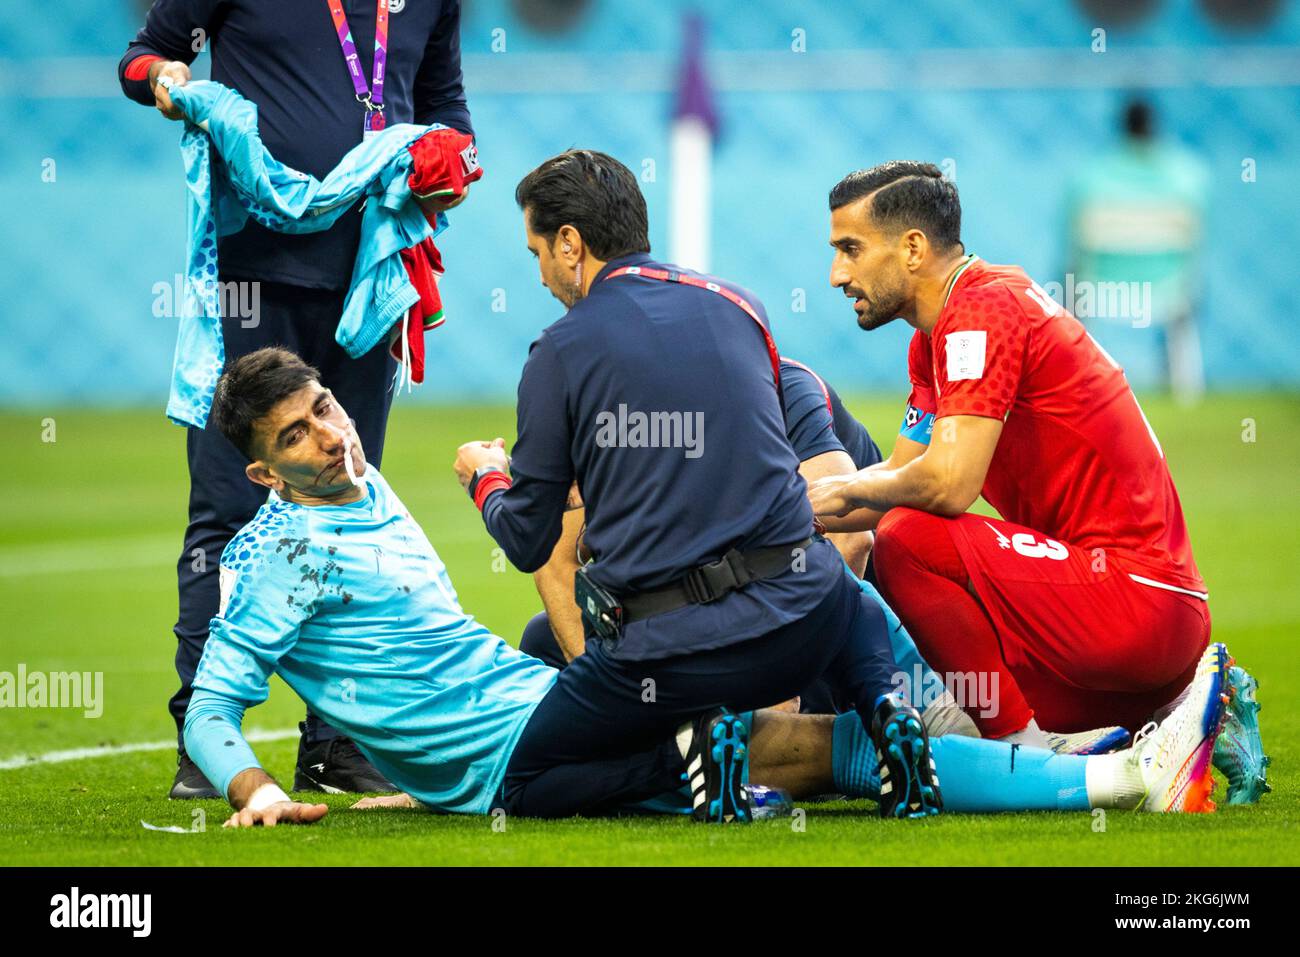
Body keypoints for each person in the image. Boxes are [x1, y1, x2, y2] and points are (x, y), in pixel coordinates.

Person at [187, 346, 1231, 828]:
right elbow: (212, 706)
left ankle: (1074, 763)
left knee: (822, 731)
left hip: (545, 718)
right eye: (300, 434)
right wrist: (258, 790)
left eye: (325, 406)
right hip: (524, 742)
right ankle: (1091, 771)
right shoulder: (276, 554)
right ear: (265, 473)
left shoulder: (362, 495)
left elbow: (840, 535)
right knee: (829, 749)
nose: (333, 432)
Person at [452, 149, 942, 820]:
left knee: (524, 783)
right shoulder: (741, 306)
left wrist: (486, 478)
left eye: (536, 251)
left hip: (673, 659)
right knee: (845, 595)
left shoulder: (558, 352)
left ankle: (695, 752)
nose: (539, 275)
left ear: (570, 243)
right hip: (805, 619)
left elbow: (529, 536)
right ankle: (886, 705)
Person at [807, 162, 1265, 803]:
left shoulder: (980, 310)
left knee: (908, 539)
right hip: (1130, 615)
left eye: (849, 250)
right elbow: (897, 474)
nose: (837, 275)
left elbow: (944, 486)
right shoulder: (939, 335)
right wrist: (787, 519)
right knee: (963, 674)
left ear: (912, 248)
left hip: (1129, 599)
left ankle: (1021, 750)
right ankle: (1194, 703)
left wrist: (834, 498)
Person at [117, 0, 474, 798]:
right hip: (252, 278)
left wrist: (450, 161)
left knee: (355, 512)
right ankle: (202, 741)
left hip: (370, 281)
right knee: (223, 508)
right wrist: (171, 81)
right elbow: (141, 58)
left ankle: (336, 744)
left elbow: (445, 105)